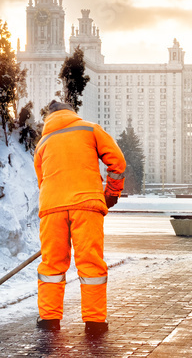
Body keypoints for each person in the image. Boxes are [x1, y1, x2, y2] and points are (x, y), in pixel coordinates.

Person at [33, 100, 126, 335]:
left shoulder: (43, 143)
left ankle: (49, 319)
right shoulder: (89, 129)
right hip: (85, 205)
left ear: (48, 119)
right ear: (71, 113)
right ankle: (94, 323)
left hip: (52, 208)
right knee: (90, 263)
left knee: (51, 265)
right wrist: (112, 192)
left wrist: (55, 204)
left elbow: (41, 180)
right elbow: (117, 162)